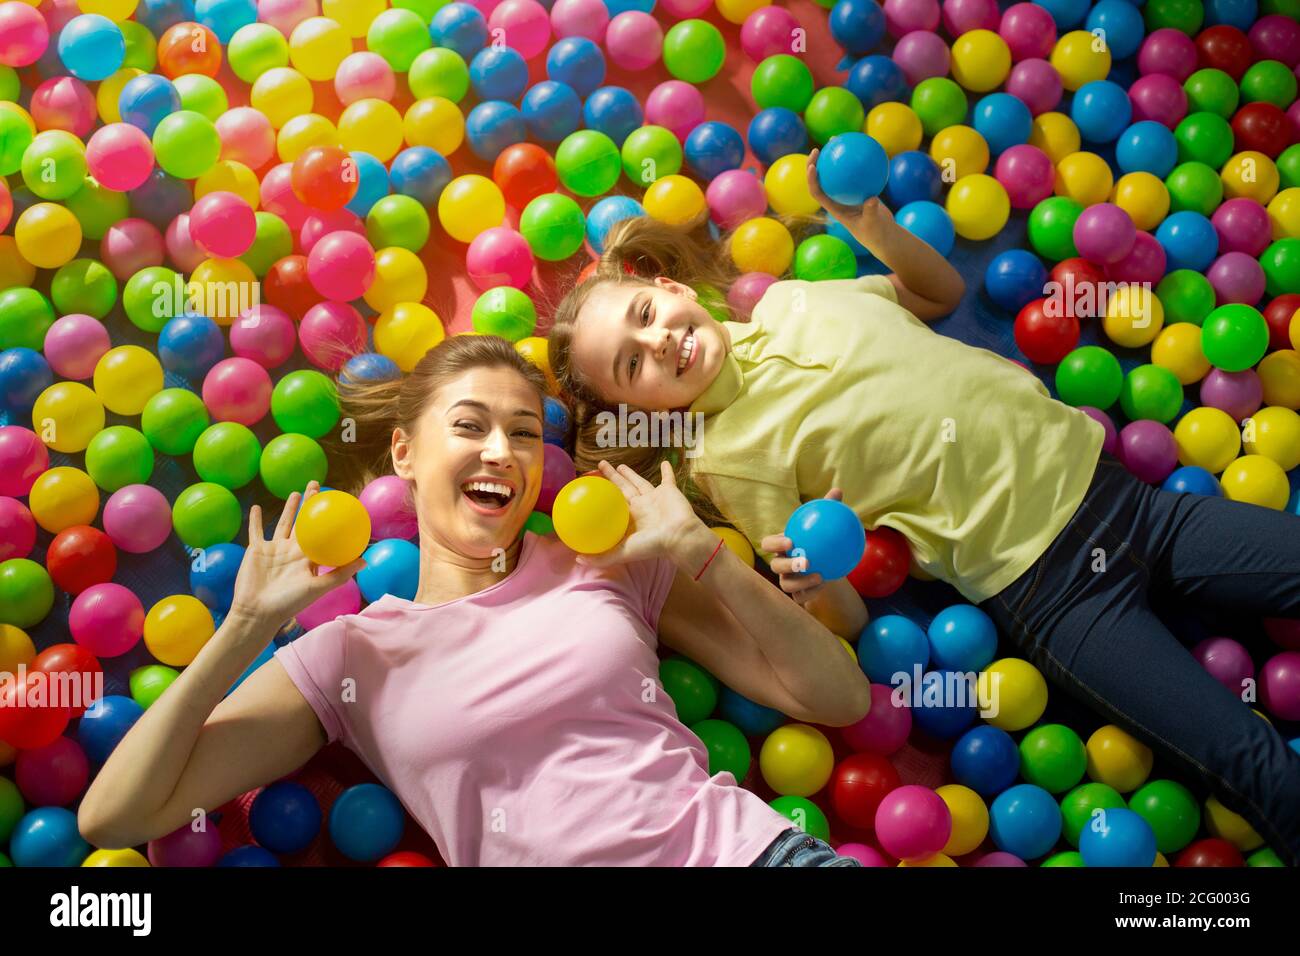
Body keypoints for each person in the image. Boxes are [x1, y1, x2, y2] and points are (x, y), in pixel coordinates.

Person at [545, 149, 1300, 864]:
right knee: (1245, 755)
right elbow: (843, 621)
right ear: (637, 407)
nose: (659, 343)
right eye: (632, 365)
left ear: (673, 290)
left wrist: (878, 231)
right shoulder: (727, 460)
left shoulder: (794, 300)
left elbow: (937, 296)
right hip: (1054, 590)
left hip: (1134, 507)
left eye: (646, 314)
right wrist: (815, 582)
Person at [77, 335, 870, 867]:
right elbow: (114, 818)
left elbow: (836, 697)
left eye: (524, 433)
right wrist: (245, 628)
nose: (501, 451)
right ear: (406, 453)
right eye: (470, 426)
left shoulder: (614, 565)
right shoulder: (349, 654)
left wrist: (706, 558)